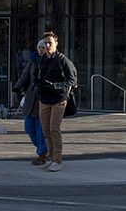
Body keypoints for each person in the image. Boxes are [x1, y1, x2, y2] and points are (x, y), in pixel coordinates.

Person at [34, 30, 77, 171]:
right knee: (46, 130)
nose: (47, 46)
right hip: (44, 99)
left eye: (50, 43)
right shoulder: (42, 60)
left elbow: (72, 80)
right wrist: (37, 86)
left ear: (56, 43)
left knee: (54, 129)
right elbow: (36, 77)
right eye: (45, 43)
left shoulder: (62, 60)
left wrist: (57, 86)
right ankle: (51, 157)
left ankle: (57, 160)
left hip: (59, 99)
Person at [15, 39, 49, 164]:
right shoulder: (33, 61)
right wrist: (17, 88)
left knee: (41, 129)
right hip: (31, 99)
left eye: (43, 48)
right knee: (29, 127)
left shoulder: (51, 62)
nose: (41, 50)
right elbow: (25, 77)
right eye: (39, 48)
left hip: (43, 99)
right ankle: (43, 149)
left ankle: (42, 153)